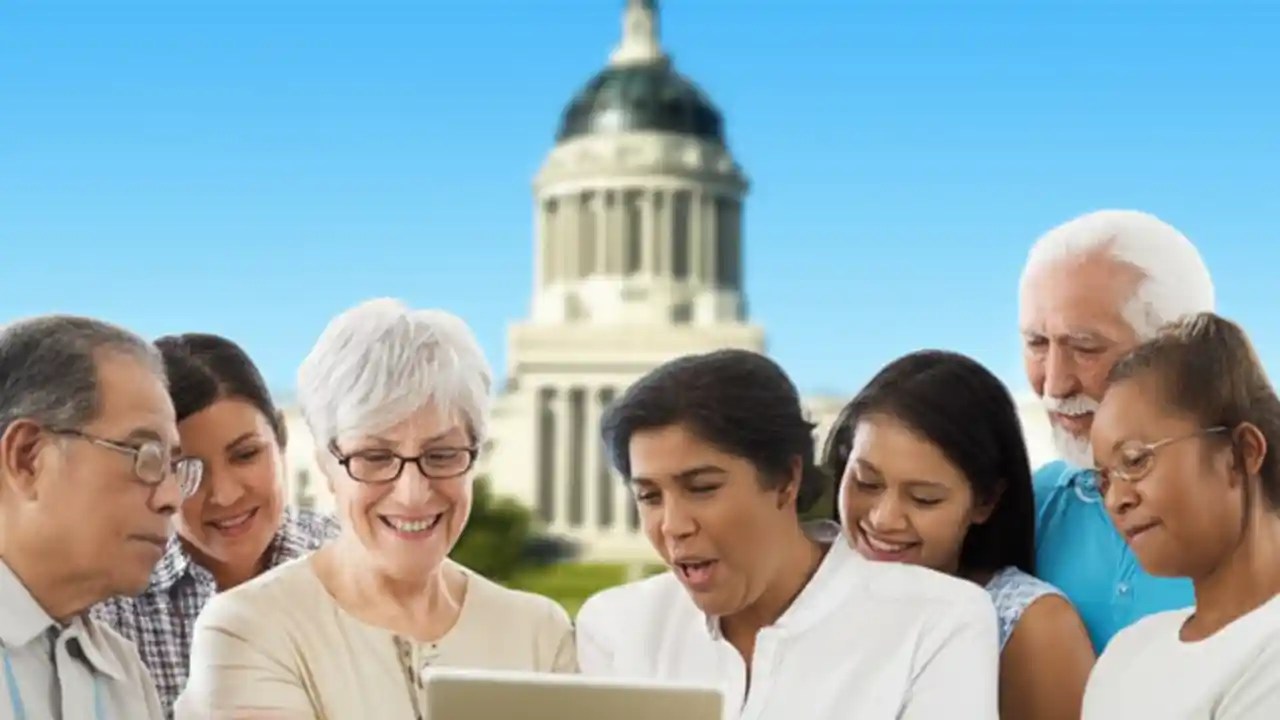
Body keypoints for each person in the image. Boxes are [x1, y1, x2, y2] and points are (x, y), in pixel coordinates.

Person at [174, 298, 575, 719]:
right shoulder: (245, 628)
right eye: (375, 457)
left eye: (441, 455)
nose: (413, 493)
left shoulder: (540, 633)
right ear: (328, 465)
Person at [576, 349, 999, 719]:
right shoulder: (617, 628)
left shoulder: (939, 619)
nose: (672, 525)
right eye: (649, 496)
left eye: (702, 488)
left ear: (785, 479)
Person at [823, 349, 1095, 719]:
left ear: (985, 501)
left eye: (924, 498)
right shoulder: (811, 587)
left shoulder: (1030, 629)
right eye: (867, 482)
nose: (884, 519)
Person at [92, 333, 339, 717]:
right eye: (187, 468)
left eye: (245, 455)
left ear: (281, 438)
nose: (223, 495)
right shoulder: (115, 604)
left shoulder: (349, 559)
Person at [1019, 209, 1214, 651]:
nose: (1053, 384)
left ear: (1176, 351)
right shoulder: (1036, 502)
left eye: (1085, 348)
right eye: (1036, 343)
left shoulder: (1253, 515)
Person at [0, 315, 203, 720]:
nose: (170, 499)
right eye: (145, 457)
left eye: (174, 468)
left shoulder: (122, 674)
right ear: (28, 459)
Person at [1082, 313, 1280, 718]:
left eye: (1135, 461)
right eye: (1102, 479)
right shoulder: (1127, 653)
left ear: (1241, 453)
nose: (1116, 499)